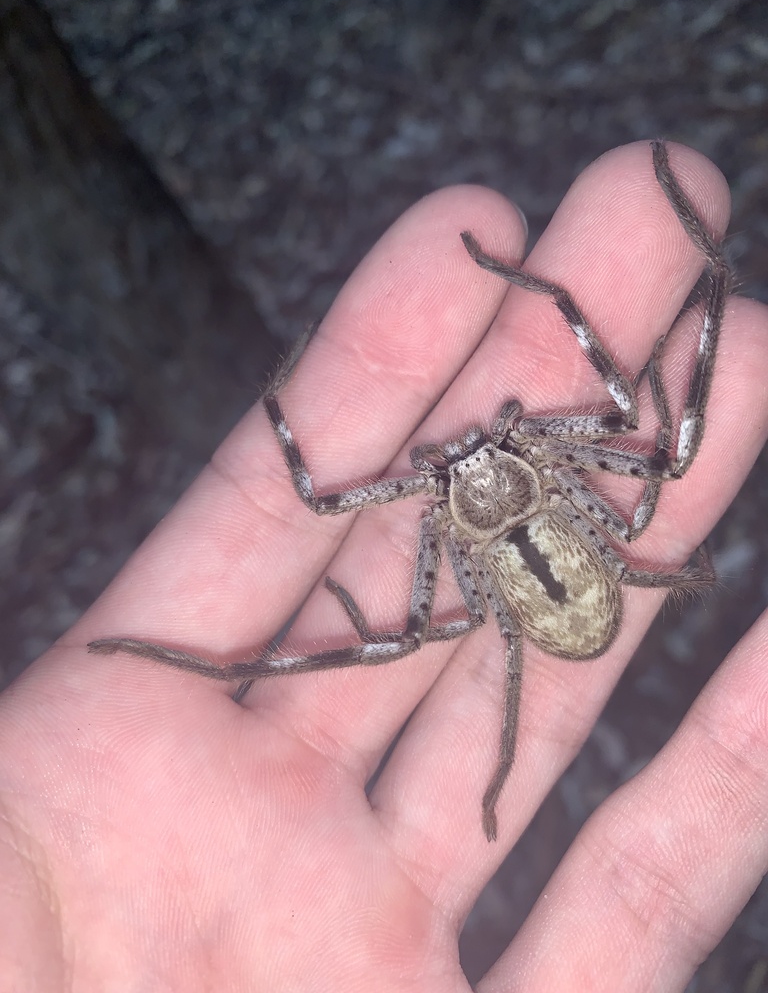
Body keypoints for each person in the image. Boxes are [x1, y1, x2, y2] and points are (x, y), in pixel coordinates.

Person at [1, 141, 766, 991]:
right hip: (559, 557)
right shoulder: (525, 479)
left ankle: (708, 273)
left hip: (561, 571)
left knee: (636, 476)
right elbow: (631, 445)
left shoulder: (450, 509)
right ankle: (184, 660)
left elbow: (340, 517)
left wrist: (552, 293)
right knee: (632, 472)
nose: (473, 458)